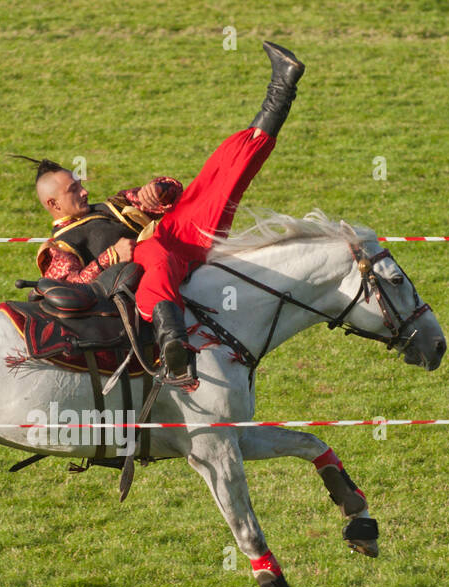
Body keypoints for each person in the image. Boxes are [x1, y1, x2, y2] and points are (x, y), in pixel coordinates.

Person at [17, 40, 305, 387]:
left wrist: (159, 190)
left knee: (221, 172)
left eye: (80, 184)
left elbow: (171, 191)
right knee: (151, 251)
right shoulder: (59, 247)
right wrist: (110, 257)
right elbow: (64, 288)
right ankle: (173, 342)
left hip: (176, 234)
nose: (85, 191)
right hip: (148, 262)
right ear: (53, 204)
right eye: (74, 190)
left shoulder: (111, 205)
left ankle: (283, 86)